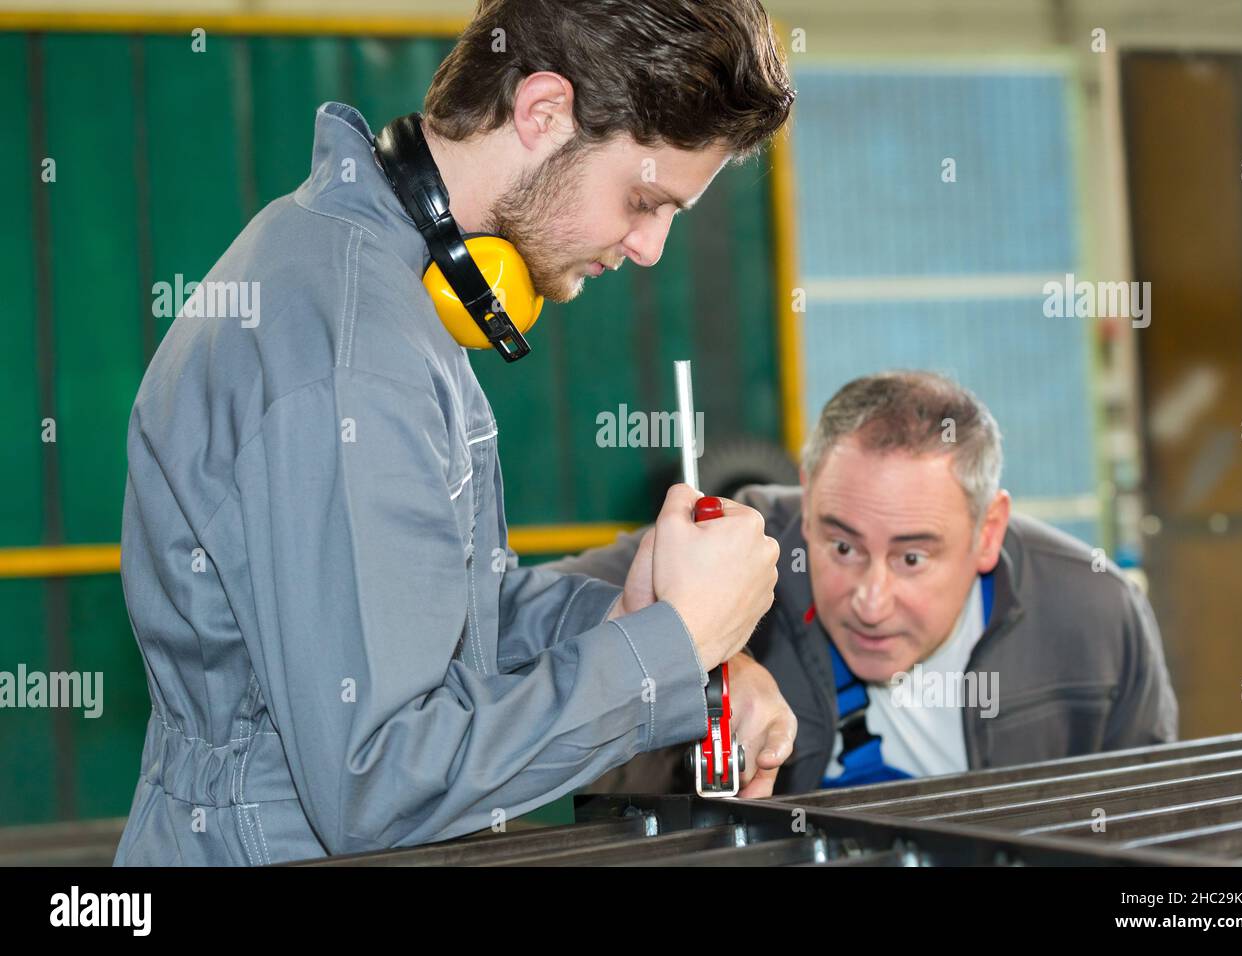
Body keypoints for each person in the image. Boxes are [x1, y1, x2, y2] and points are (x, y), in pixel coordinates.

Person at [114, 0, 797, 865]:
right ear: (543, 112)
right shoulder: (356, 348)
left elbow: (440, 622)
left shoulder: (372, 278)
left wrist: (644, 622)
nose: (652, 247)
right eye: (643, 198)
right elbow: (378, 784)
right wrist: (672, 649)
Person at [549, 371, 1179, 795]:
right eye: (842, 545)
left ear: (988, 533)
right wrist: (699, 650)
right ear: (809, 491)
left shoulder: (1097, 614)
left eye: (912, 559)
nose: (870, 603)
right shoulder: (729, 546)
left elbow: (1158, 838)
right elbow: (503, 627)